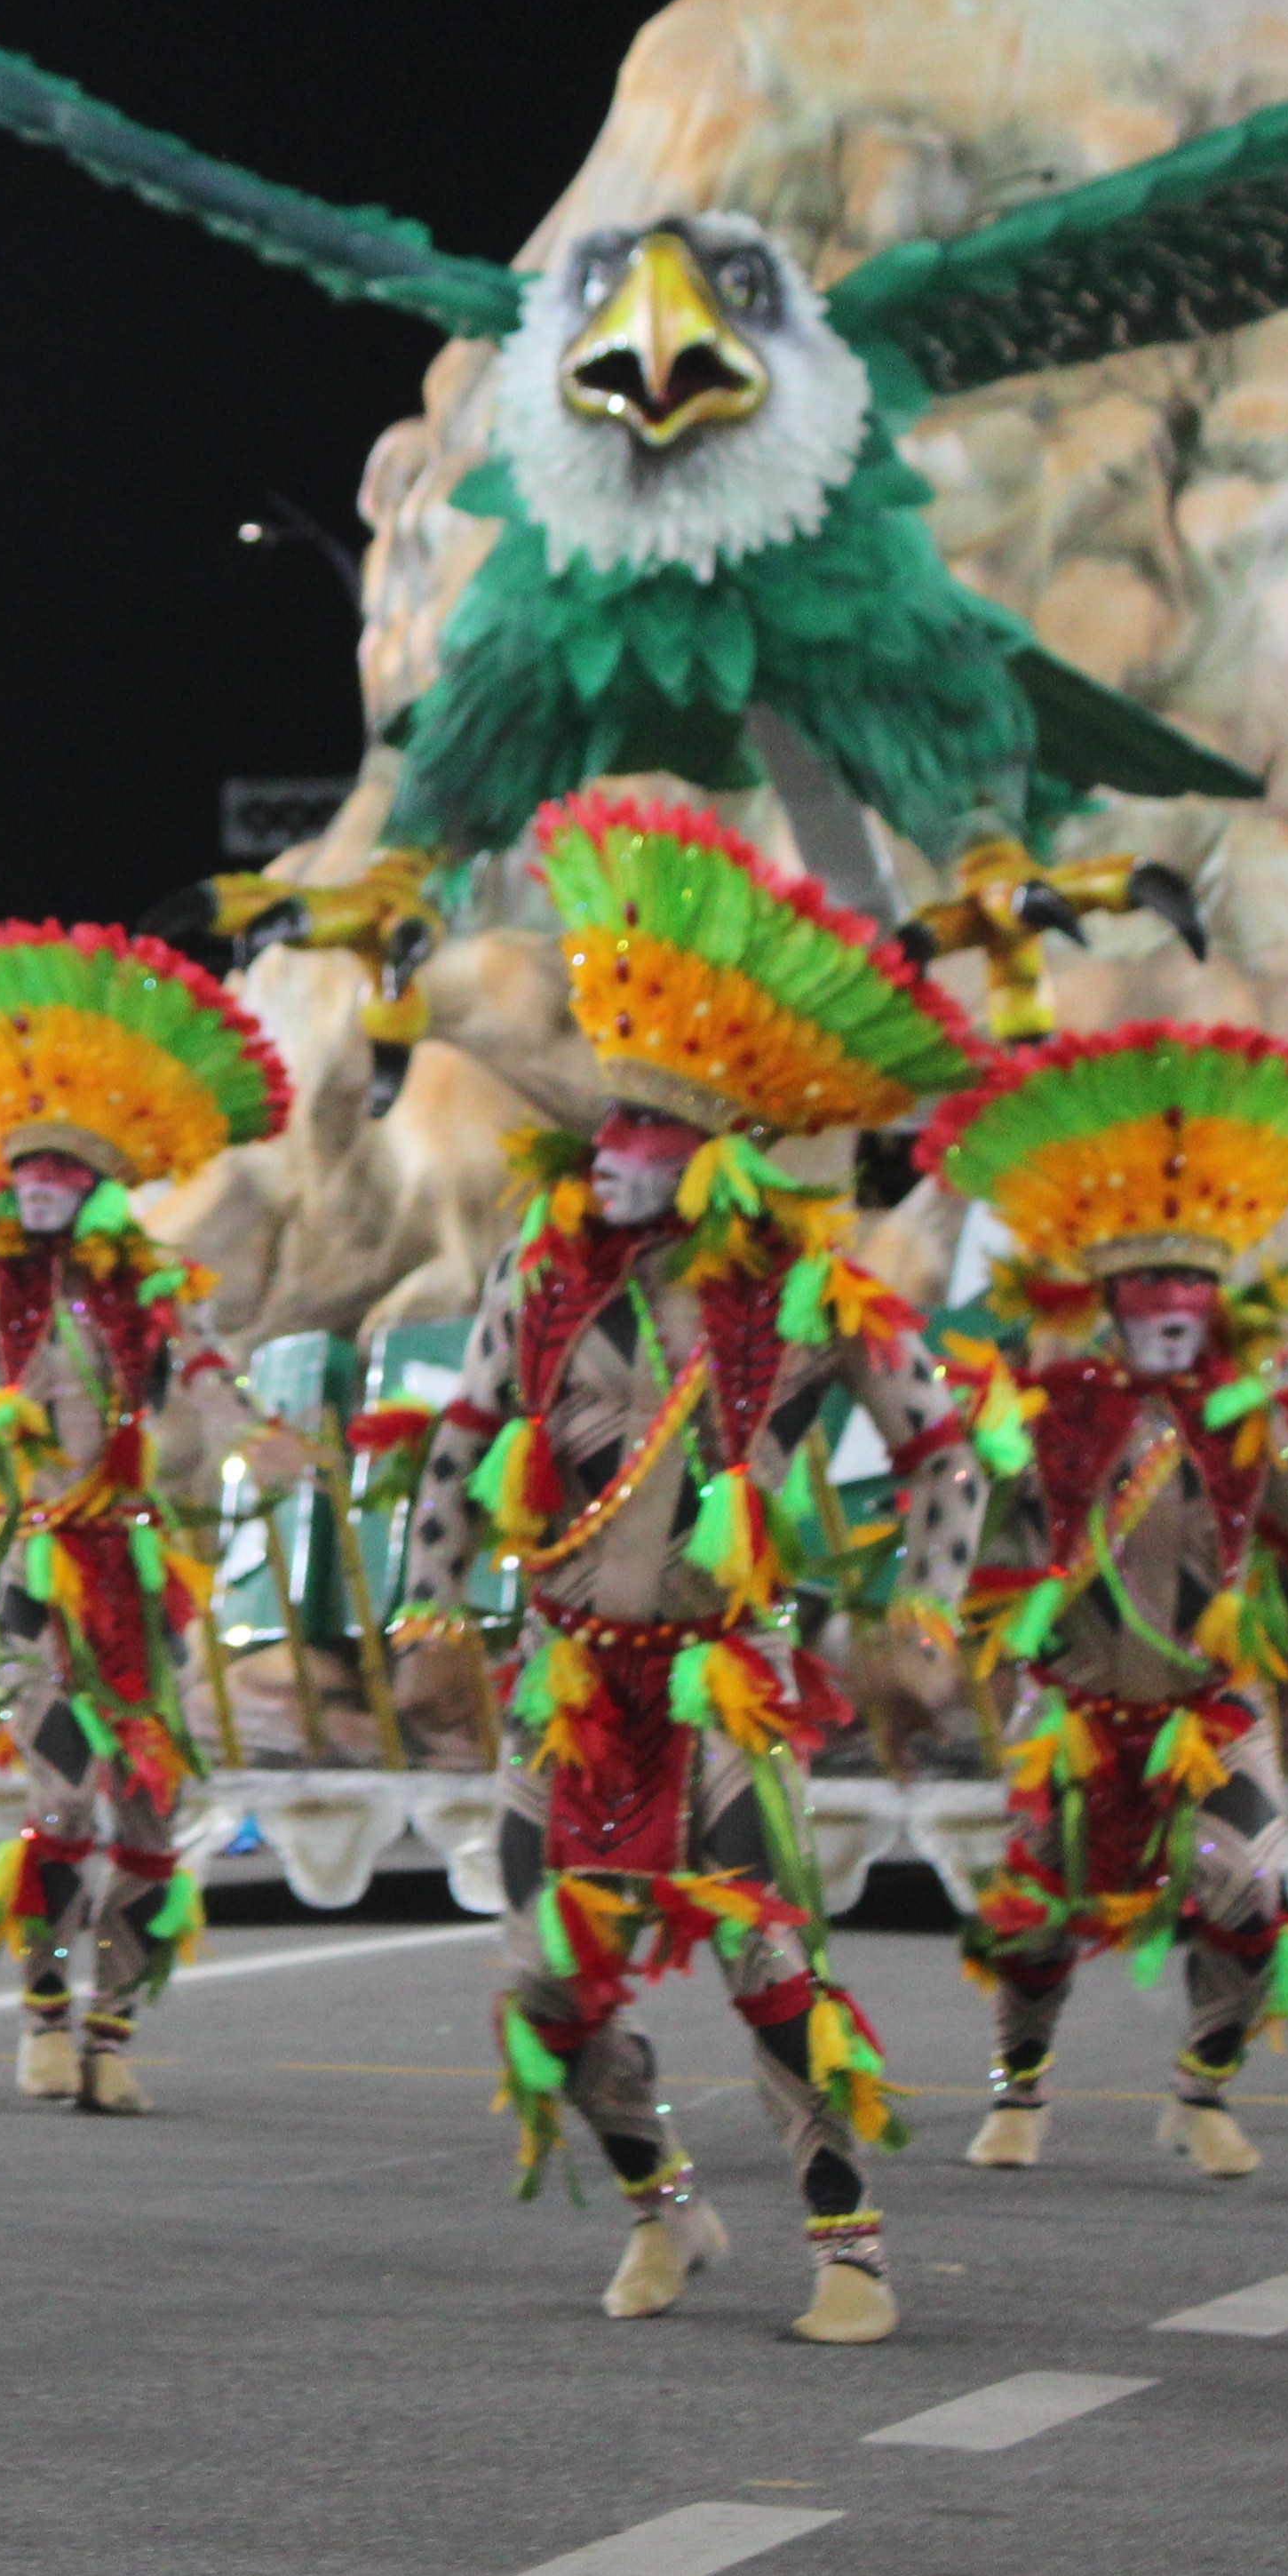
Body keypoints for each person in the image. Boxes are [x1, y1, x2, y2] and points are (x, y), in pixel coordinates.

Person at [386, 794, 982, 2344]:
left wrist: (920, 1608)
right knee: (542, 1989)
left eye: (656, 1138)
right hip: (570, 1677)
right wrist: (428, 1605)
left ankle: (849, 2249)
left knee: (772, 1968)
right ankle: (665, 2207)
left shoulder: (808, 1294)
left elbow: (945, 1452)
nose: (622, 1160)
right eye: (613, 1131)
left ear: (718, 1153)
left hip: (726, 1682)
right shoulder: (537, 1267)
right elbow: (462, 1437)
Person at [914, 1027, 1288, 2176]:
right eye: (1151, 1301)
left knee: (1248, 1893)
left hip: (1211, 1711)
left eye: (1191, 1299)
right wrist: (930, 1601)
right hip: (1074, 1708)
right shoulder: (1041, 1415)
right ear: (1111, 1303)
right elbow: (960, 1497)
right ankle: (1021, 2087)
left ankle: (1202, 2089)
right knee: (1038, 1912)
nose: (1173, 1322)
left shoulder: (1253, 1421)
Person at [0, 923, 283, 2117]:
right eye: (24, 1169)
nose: (38, 1188)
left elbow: (214, 1376)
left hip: (131, 1569)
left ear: (98, 1189)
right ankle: (39, 2009)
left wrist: (251, 1436)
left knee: (146, 1809)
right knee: (60, 1800)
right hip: (33, 1566)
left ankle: (113, 2025)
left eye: (63, 1174)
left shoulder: (149, 1291)